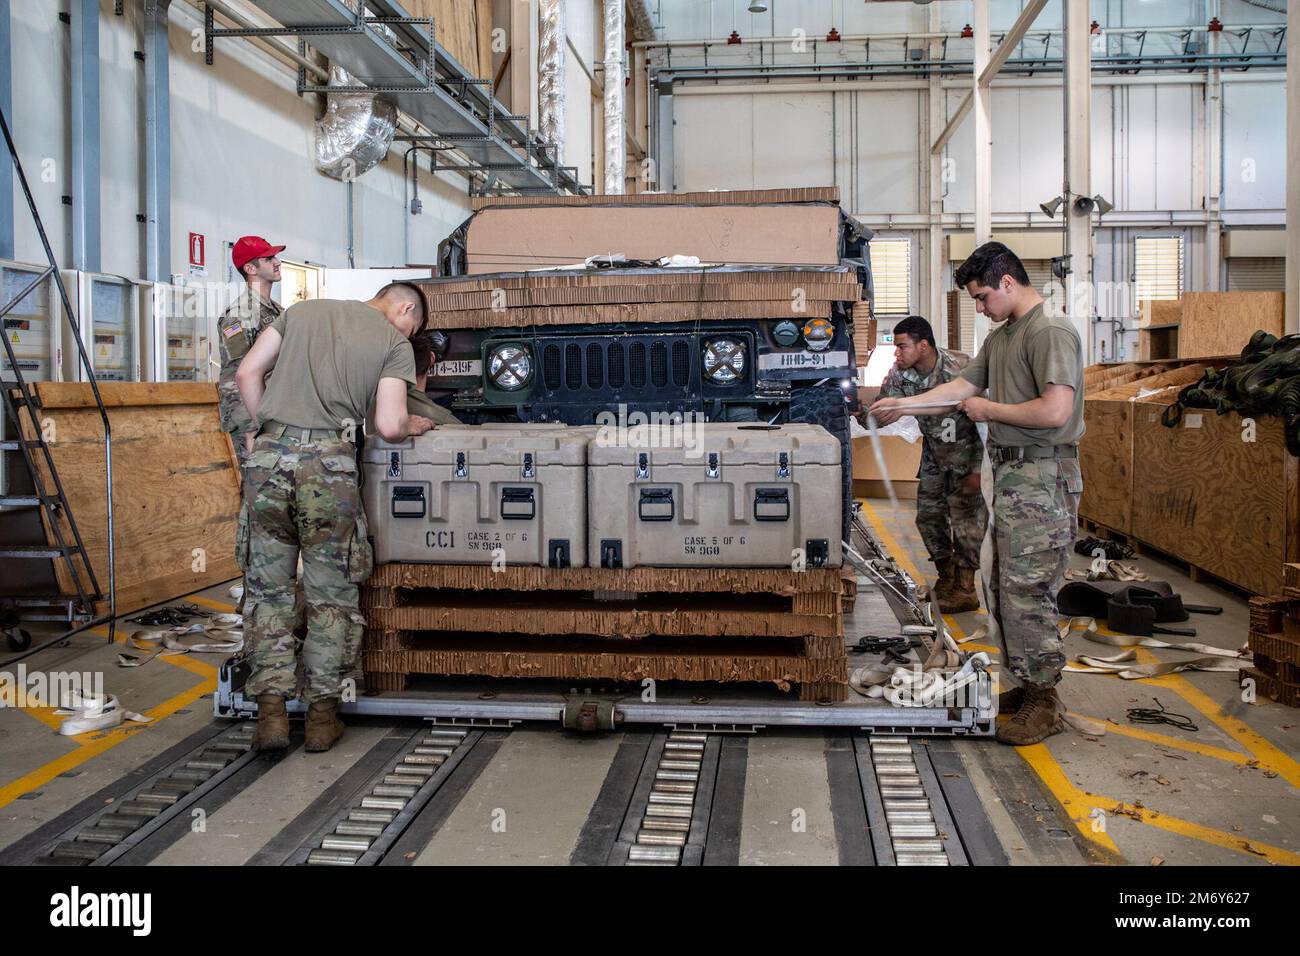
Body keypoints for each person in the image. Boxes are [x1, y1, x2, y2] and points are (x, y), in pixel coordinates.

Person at [869, 242, 1084, 746]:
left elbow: (1055, 411)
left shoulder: (1049, 332)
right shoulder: (1003, 336)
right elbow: (961, 388)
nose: (981, 308)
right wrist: (906, 405)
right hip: (1011, 475)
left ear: (1008, 282)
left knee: (1028, 590)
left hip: (1043, 477)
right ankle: (1028, 685)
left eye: (983, 297)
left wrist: (994, 413)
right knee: (1002, 586)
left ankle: (1045, 699)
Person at [235, 282, 436, 752]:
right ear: (406, 308)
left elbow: (247, 373)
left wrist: (267, 428)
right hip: (328, 468)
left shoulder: (301, 312)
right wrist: (416, 423)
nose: (410, 332)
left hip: (267, 462)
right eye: (415, 324)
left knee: (268, 591)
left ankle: (271, 716)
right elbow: (388, 424)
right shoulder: (393, 345)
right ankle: (323, 719)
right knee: (331, 593)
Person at [867, 316, 986, 612]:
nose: (896, 353)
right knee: (929, 516)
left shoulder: (960, 367)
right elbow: (883, 408)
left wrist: (980, 469)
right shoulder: (899, 374)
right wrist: (860, 411)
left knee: (966, 521)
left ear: (923, 345)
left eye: (901, 346)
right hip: (933, 454)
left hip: (968, 455)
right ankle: (946, 578)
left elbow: (987, 417)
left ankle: (965, 588)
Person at [218, 236, 285, 465]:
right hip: (254, 420)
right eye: (268, 258)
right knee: (259, 491)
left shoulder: (278, 311)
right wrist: (251, 428)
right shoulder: (239, 315)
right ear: (249, 268)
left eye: (275, 257)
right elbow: (237, 375)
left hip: (274, 413)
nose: (277, 262)